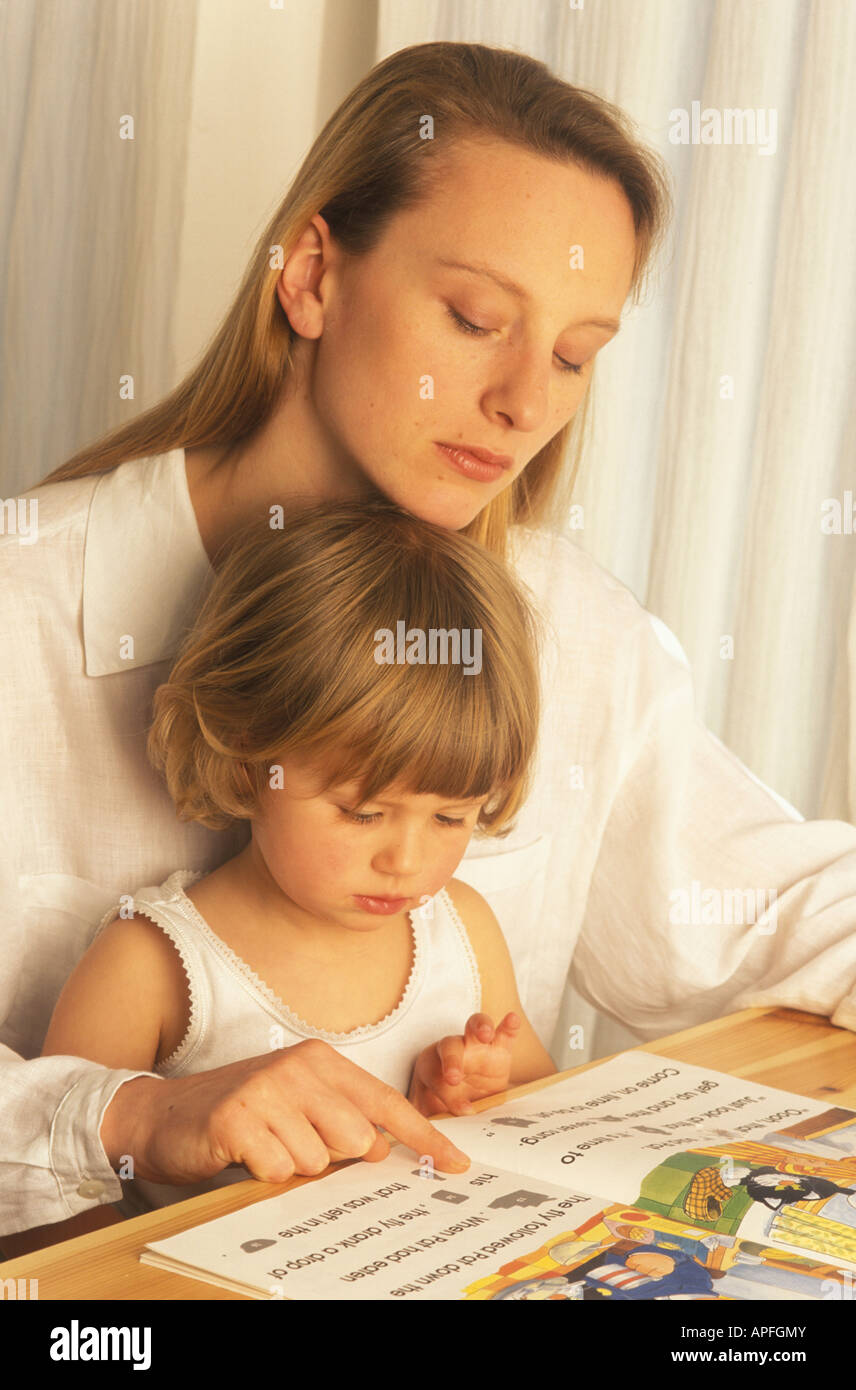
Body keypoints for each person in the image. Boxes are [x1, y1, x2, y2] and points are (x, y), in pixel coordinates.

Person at [4, 40, 856, 1251]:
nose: (524, 402)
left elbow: (789, 904)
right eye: (473, 319)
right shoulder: (16, 609)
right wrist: (132, 1110)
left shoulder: (570, 634)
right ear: (308, 275)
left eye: (573, 357)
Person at [25, 499, 556, 1234]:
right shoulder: (152, 963)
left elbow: (547, 1105)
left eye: (450, 818)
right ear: (247, 757)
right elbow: (58, 1198)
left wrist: (480, 1090)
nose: (405, 861)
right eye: (361, 812)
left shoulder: (463, 929)